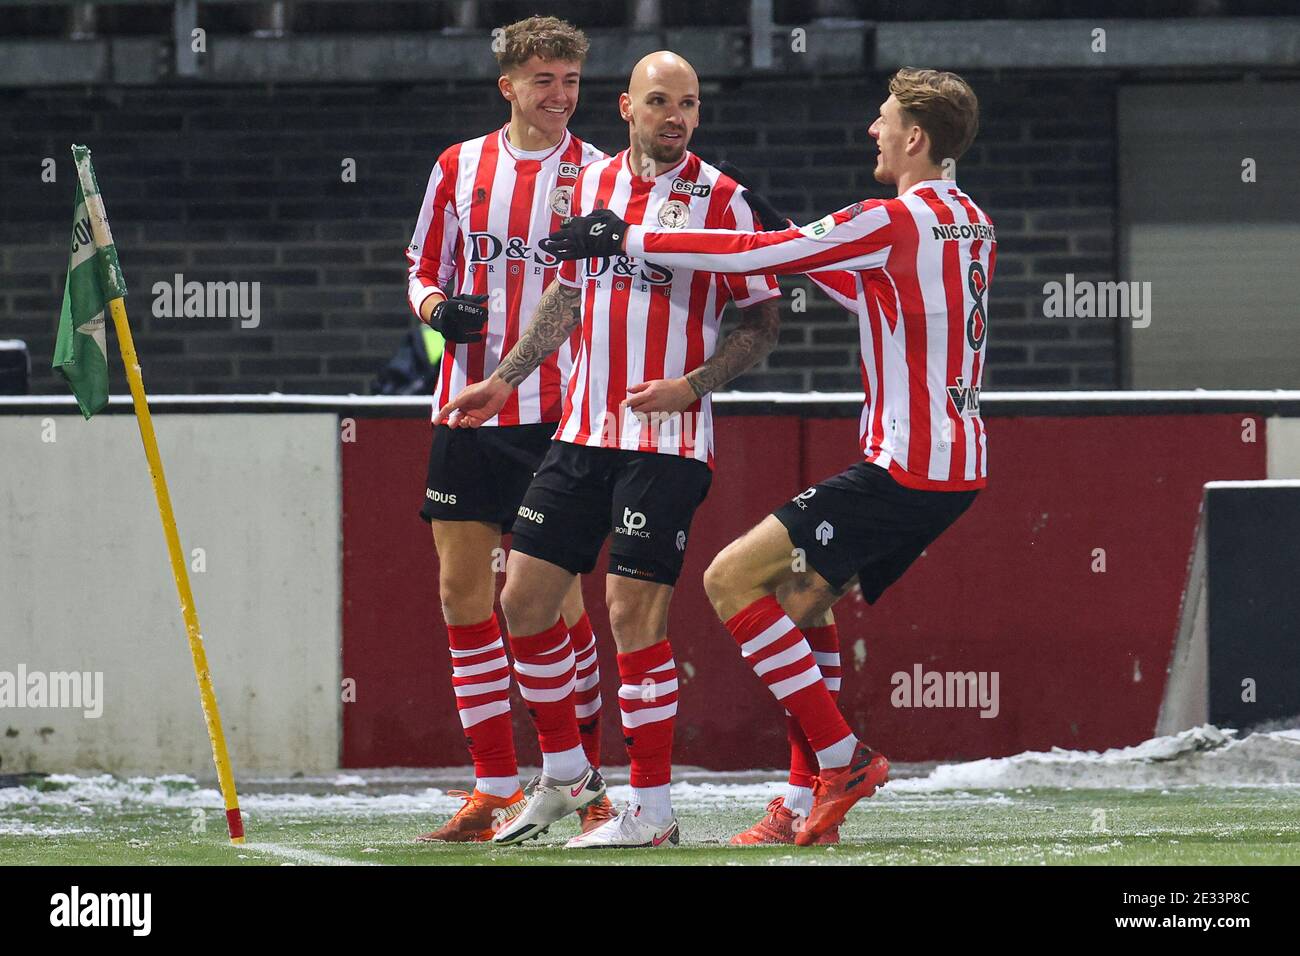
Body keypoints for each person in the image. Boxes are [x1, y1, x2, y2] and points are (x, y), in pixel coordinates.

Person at [543, 68, 991, 845]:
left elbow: (760, 253)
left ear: (915, 139)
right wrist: (788, 235)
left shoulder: (891, 218)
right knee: (801, 604)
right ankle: (796, 802)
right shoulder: (971, 220)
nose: (872, 132)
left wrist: (629, 237)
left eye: (883, 120)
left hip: (904, 465)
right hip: (955, 467)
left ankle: (843, 760)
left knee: (728, 579)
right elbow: (858, 285)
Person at [436, 51, 784, 849]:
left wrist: (693, 383)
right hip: (582, 433)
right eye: (660, 100)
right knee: (522, 602)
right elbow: (567, 294)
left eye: (689, 104)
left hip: (666, 441)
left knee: (631, 614)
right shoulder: (588, 186)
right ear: (625, 107)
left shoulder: (724, 199)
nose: (676, 116)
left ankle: (652, 812)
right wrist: (502, 378)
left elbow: (762, 320)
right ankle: (566, 777)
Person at [403, 15, 613, 843]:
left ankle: (582, 780)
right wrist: (435, 308)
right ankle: (492, 784)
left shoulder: (598, 174)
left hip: (561, 414)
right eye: (543, 82)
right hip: (465, 405)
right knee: (462, 594)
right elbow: (421, 268)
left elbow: (602, 290)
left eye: (570, 81)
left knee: (554, 604)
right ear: (509, 88)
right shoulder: (459, 166)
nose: (559, 96)